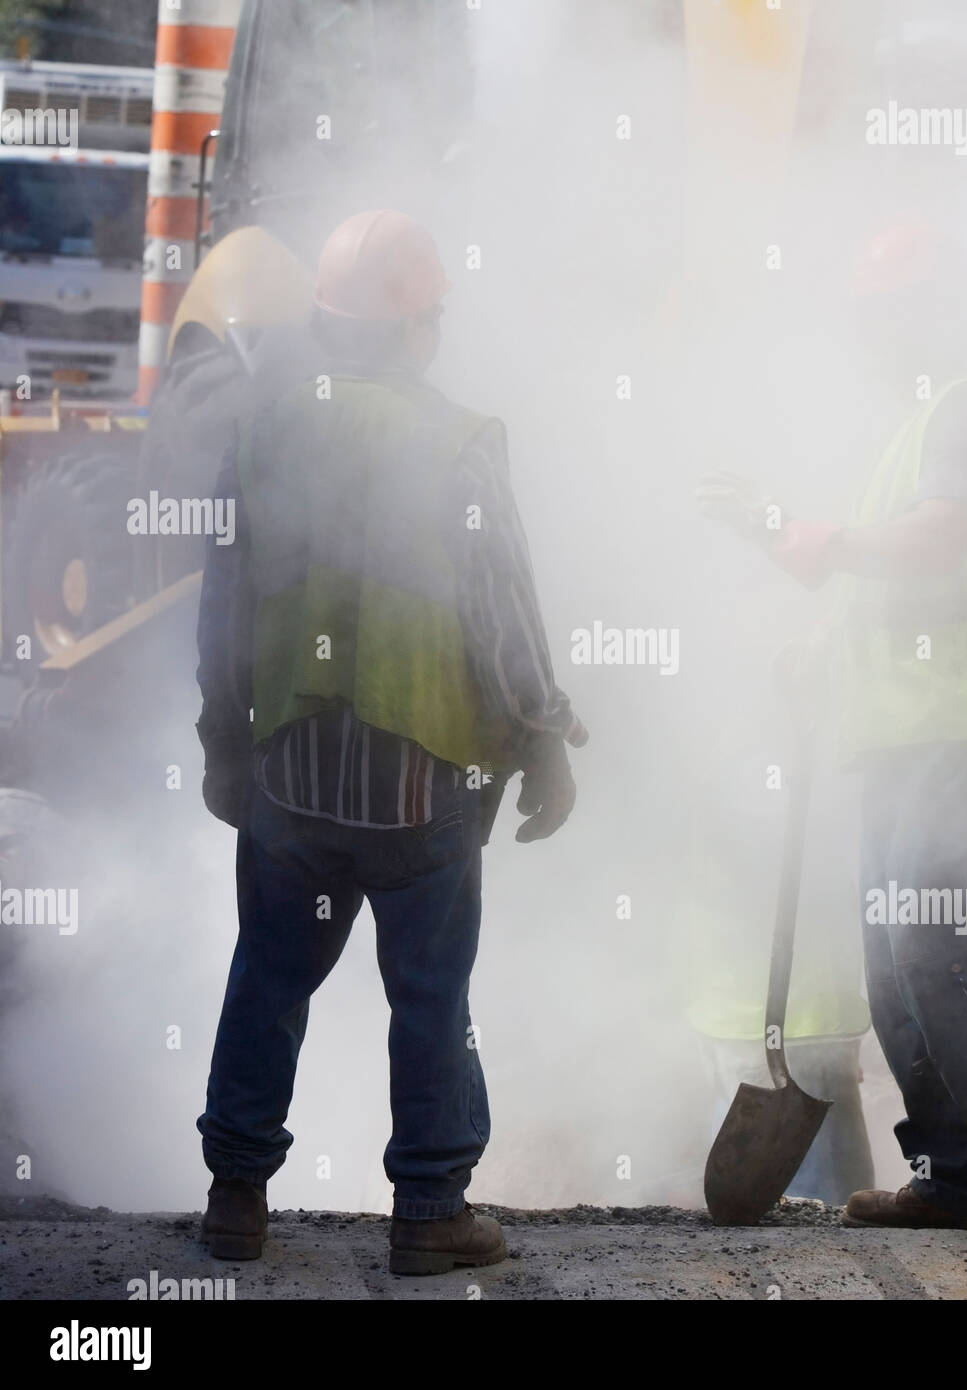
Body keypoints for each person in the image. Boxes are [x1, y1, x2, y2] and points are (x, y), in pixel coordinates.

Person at [194, 209, 587, 1275]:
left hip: (288, 776)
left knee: (268, 977)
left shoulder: (265, 423)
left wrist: (222, 738)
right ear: (421, 326)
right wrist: (544, 735)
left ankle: (236, 1197)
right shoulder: (458, 441)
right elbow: (503, 613)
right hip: (421, 786)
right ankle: (427, 1213)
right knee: (429, 998)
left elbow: (223, 601)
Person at [697, 222, 967, 1249]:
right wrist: (820, 656)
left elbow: (940, 539)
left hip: (956, 738)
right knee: (892, 962)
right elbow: (893, 599)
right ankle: (954, 1171)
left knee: (938, 945)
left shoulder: (962, 418)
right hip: (898, 740)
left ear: (932, 314)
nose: (871, 338)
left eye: (887, 317)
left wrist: (825, 546)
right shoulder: (912, 427)